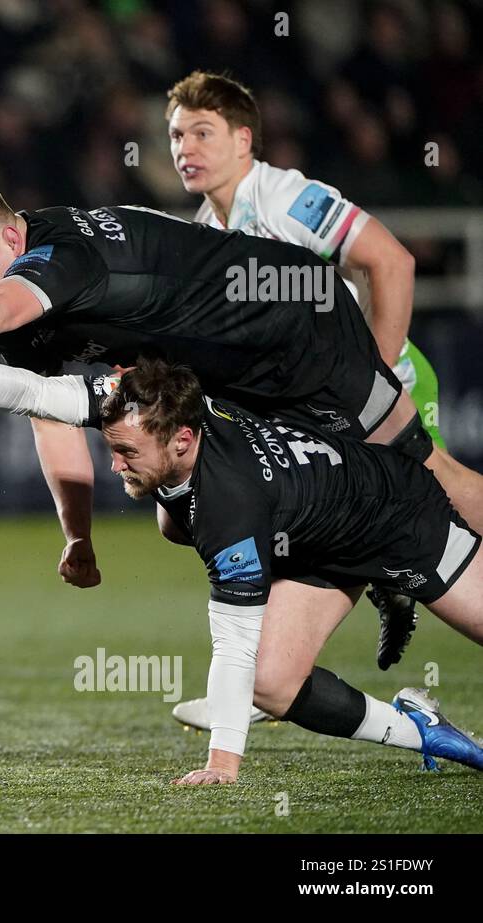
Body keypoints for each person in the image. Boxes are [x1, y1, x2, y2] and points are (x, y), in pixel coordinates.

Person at [0, 346, 483, 782]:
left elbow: (233, 642)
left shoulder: (224, 508)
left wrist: (222, 763)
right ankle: (421, 730)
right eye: (112, 448)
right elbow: (37, 394)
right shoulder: (150, 405)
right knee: (272, 683)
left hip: (400, 517)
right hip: (319, 536)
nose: (115, 466)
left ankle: (391, 585)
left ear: (184, 441)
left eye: (127, 453)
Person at [0, 185, 483, 590]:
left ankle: (380, 572)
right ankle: (367, 578)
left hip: (296, 323)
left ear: (12, 241)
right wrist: (79, 535)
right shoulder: (25, 315)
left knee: (423, 467)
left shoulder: (63, 255)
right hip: (229, 372)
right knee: (182, 516)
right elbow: (50, 415)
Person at [165, 73, 453, 726]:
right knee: (248, 509)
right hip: (321, 412)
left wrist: (374, 387)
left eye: (202, 132)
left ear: (244, 140)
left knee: (449, 517)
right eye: (177, 135)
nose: (186, 147)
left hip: (388, 390)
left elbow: (392, 263)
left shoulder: (286, 196)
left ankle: (286, 659)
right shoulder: (207, 229)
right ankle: (271, 671)